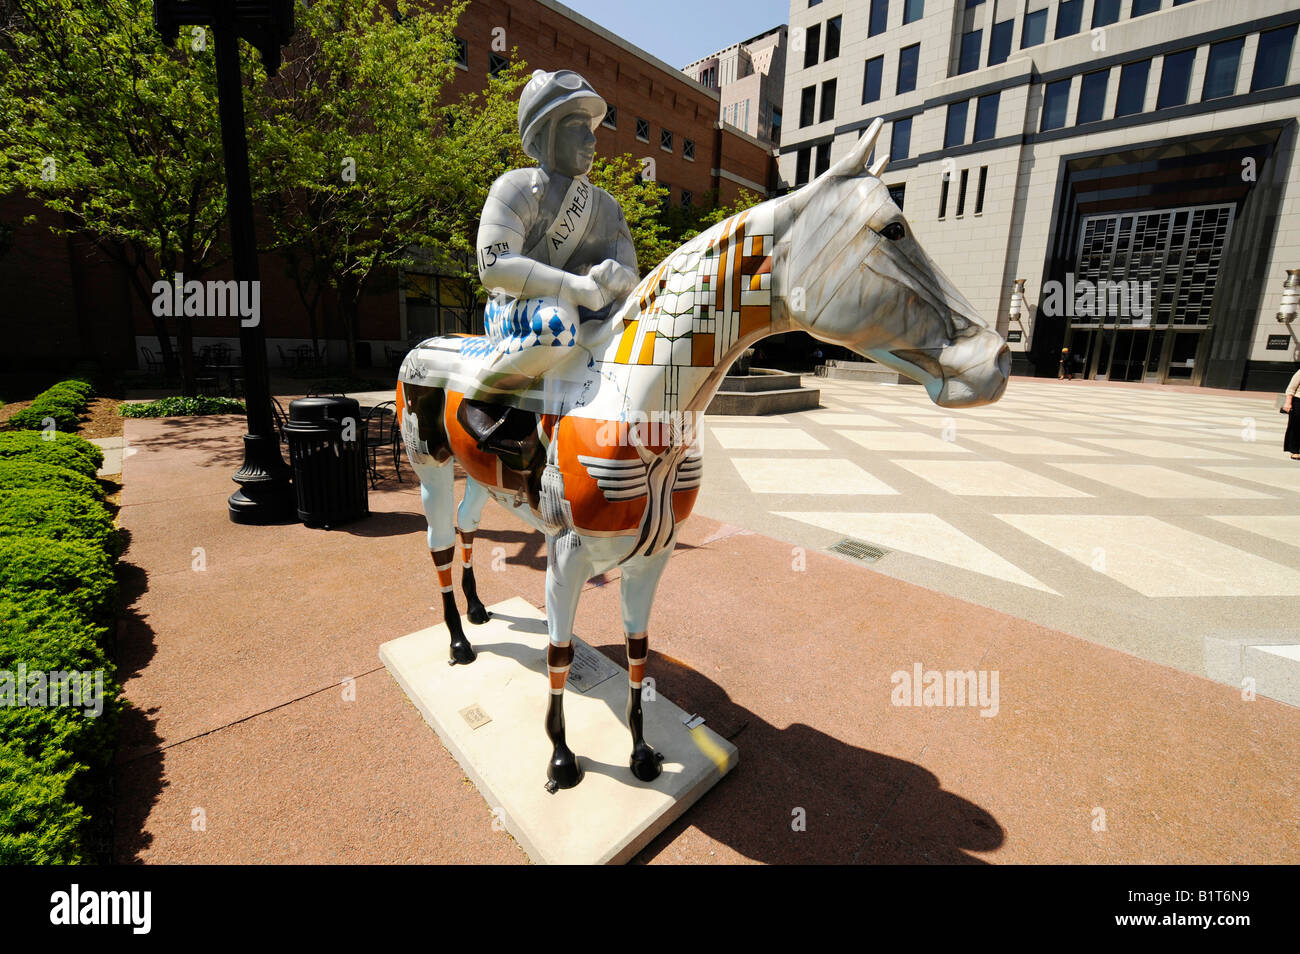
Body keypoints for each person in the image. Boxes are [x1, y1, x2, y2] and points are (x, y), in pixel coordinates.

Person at [464, 69, 639, 457]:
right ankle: (483, 397)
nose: (592, 138)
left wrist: (617, 278)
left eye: (593, 128)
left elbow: (632, 276)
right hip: (514, 313)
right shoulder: (515, 188)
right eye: (578, 126)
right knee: (557, 322)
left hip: (594, 316)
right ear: (544, 133)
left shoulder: (608, 207)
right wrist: (573, 287)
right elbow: (494, 265)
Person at [1284, 366, 1300, 460]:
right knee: (1296, 426)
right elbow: (1291, 388)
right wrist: (1288, 402)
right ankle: (1294, 450)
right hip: (1298, 400)